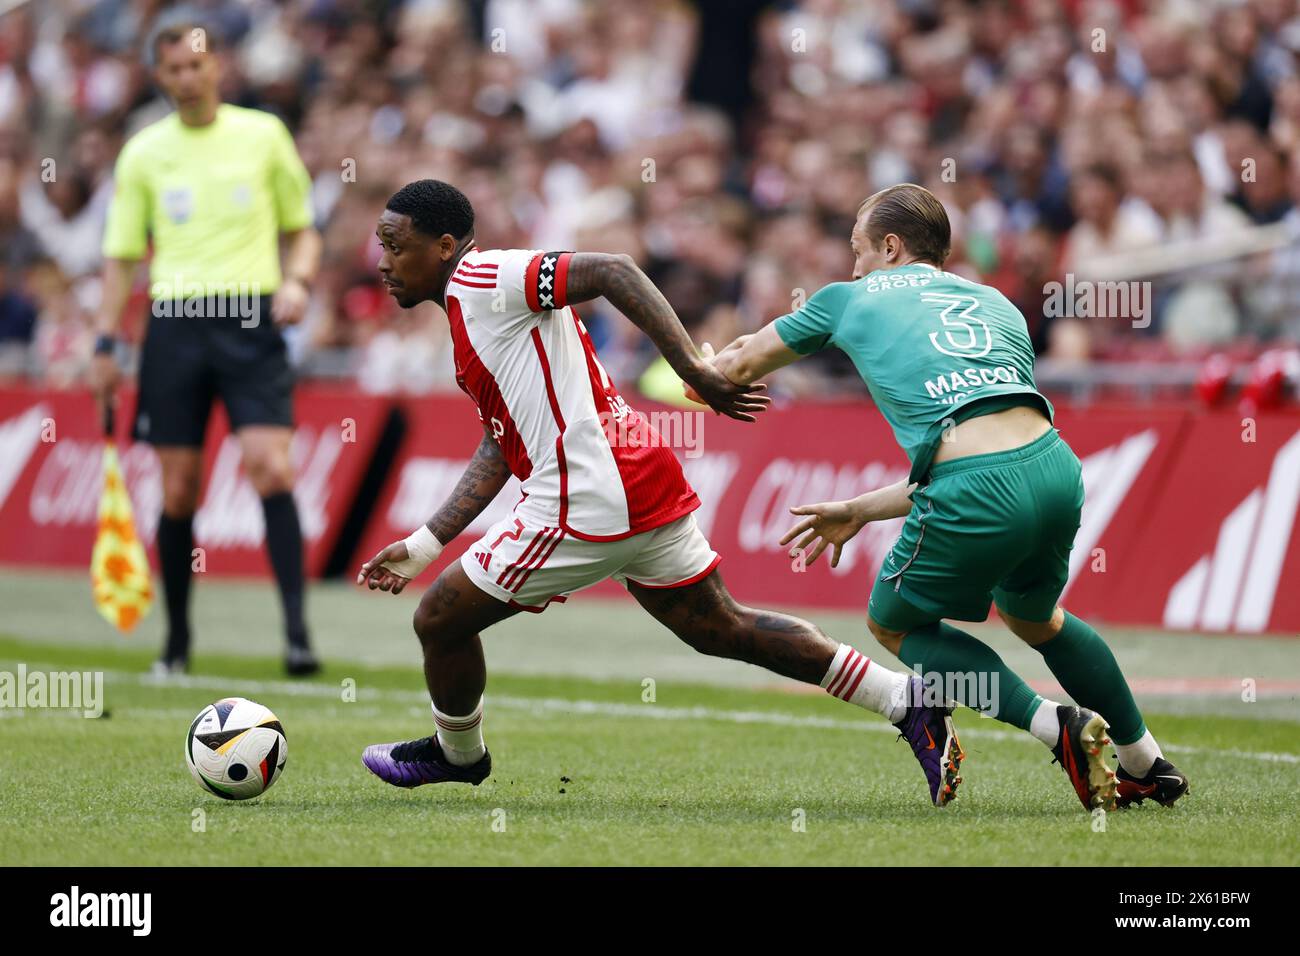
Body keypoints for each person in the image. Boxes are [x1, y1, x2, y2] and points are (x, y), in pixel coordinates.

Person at [355, 179, 966, 807]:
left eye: (395, 246)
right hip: (636, 475)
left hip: (587, 495)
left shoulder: (484, 278)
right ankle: (904, 700)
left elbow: (613, 270)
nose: (382, 262)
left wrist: (693, 370)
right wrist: (428, 541)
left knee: (439, 618)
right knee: (721, 628)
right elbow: (500, 441)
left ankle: (459, 756)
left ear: (446, 246)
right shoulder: (471, 311)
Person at [695, 183, 1190, 811]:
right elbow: (988, 440)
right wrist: (859, 508)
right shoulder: (997, 303)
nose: (853, 266)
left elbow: (731, 367)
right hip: (1056, 470)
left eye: (859, 249)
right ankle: (1147, 763)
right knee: (1036, 617)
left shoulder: (846, 299)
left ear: (892, 247)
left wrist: (697, 368)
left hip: (977, 487)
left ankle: (1054, 726)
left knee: (894, 622)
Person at [90, 14, 323, 676]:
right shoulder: (143, 152)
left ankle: (298, 637)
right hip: (175, 324)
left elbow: (304, 227)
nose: (188, 77)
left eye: (198, 64)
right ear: (158, 76)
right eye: (174, 69)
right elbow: (121, 257)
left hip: (250, 319)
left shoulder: (263, 135)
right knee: (179, 490)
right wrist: (106, 342)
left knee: (270, 467)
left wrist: (300, 281)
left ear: (217, 65)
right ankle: (177, 644)